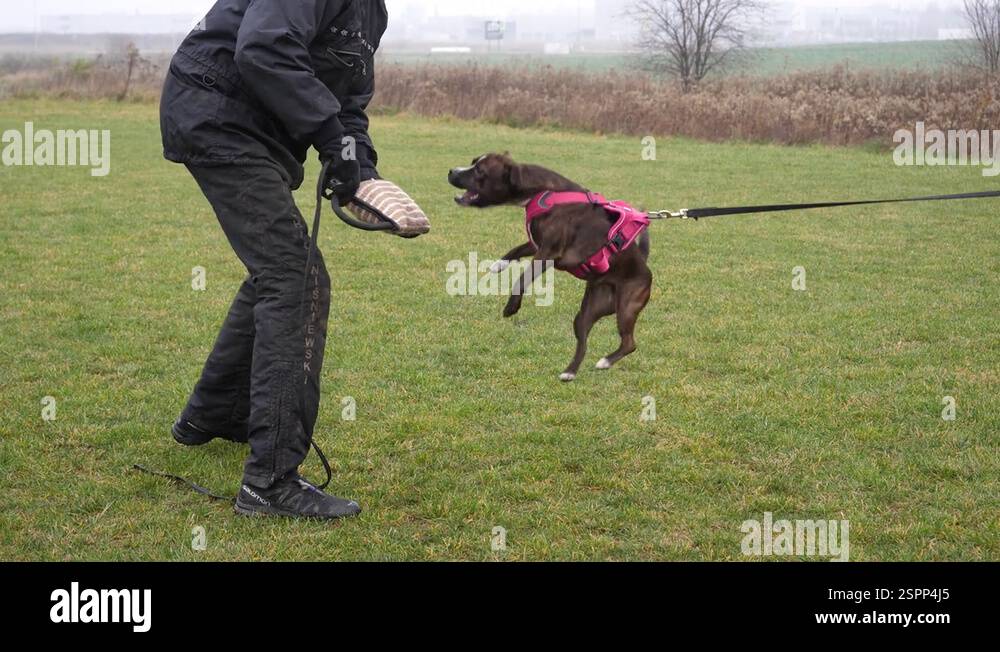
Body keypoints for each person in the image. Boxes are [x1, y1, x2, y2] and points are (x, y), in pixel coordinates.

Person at [159, 0, 388, 520]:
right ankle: (270, 483)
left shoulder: (372, 13)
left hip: (256, 133)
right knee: (296, 276)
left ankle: (214, 415)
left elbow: (348, 100)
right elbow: (263, 46)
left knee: (280, 269)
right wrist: (329, 138)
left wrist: (357, 159)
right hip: (218, 116)